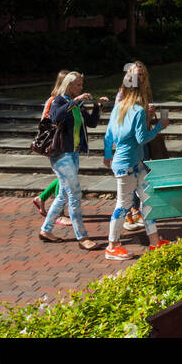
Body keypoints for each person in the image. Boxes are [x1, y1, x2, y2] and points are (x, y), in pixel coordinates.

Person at [103, 61, 169, 260]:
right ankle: (112, 246)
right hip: (129, 165)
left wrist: (108, 154)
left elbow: (108, 135)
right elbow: (142, 139)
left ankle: (155, 242)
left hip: (131, 164)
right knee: (123, 205)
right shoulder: (139, 110)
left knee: (146, 201)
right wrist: (159, 127)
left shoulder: (119, 107)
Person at [38, 72, 108, 250]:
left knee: (62, 195)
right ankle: (82, 238)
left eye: (81, 84)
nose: (81, 87)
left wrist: (98, 106)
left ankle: (45, 231)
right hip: (61, 155)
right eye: (78, 84)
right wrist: (75, 101)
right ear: (69, 86)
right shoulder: (59, 101)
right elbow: (56, 117)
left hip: (73, 154)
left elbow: (91, 123)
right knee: (75, 195)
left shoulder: (76, 103)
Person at [32, 70, 70, 222]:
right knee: (63, 177)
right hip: (55, 144)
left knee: (63, 177)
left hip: (64, 144)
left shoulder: (65, 99)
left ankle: (42, 198)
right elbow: (45, 123)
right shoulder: (54, 100)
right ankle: (59, 214)